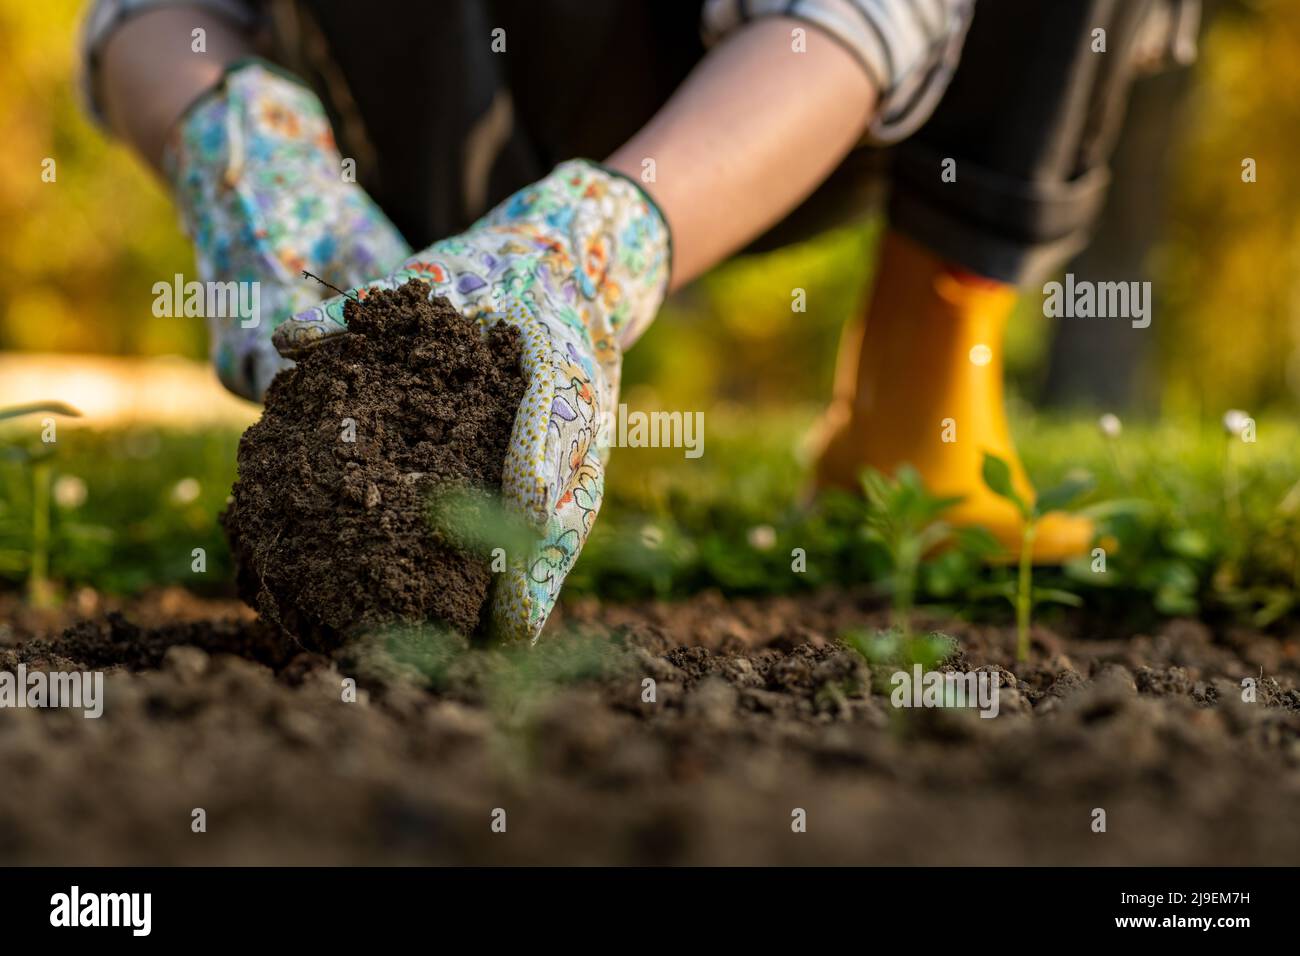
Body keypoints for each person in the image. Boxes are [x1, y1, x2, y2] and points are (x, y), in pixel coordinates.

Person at [82, 0, 1199, 641]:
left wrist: (598, 241)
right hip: (421, 97)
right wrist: (241, 148)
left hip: (765, 94)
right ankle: (448, 285)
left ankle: (919, 401)